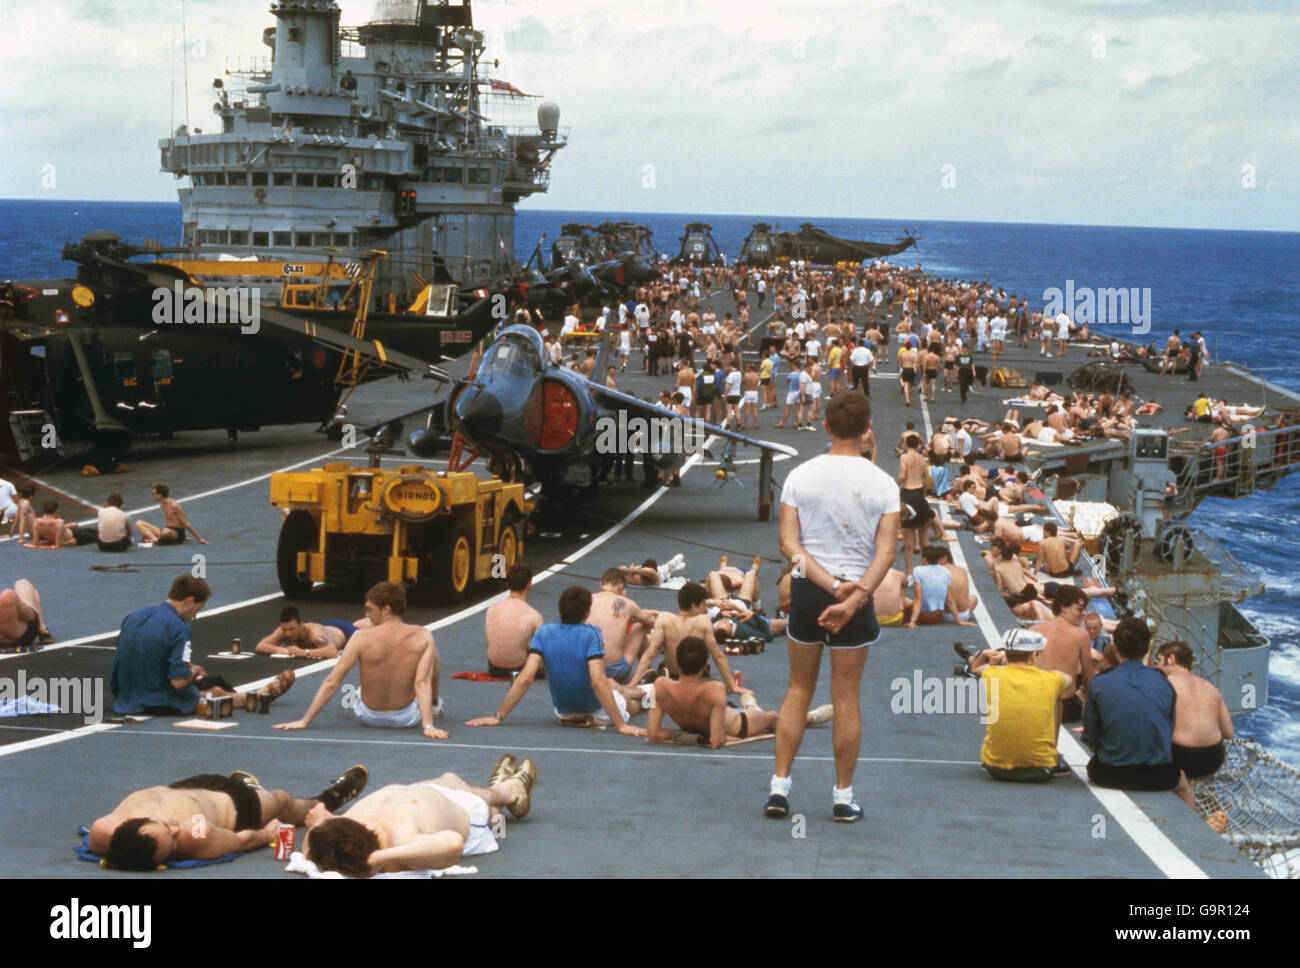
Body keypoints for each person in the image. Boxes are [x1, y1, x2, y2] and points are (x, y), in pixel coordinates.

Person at [768, 391, 900, 822]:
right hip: (857, 596)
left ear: (825, 426)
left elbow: (790, 545)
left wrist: (827, 583)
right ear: (867, 430)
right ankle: (843, 798)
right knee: (845, 698)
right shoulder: (884, 483)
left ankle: (779, 789)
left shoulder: (800, 476)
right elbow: (885, 554)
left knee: (797, 689)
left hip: (808, 591)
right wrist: (854, 594)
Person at [88, 766, 369, 870]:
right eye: (172, 844)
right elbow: (242, 840)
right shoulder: (195, 836)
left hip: (186, 787)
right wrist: (268, 834)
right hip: (236, 806)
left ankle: (253, 788)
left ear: (131, 825)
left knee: (271, 798)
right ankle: (329, 798)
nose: (175, 831)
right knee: (281, 800)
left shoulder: (103, 831)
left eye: (166, 829)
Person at [302, 760, 537, 876]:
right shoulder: (397, 840)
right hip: (447, 806)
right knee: (455, 783)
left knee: (453, 781)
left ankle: (499, 797)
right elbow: (453, 843)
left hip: (441, 802)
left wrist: (322, 822)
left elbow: (453, 844)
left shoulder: (401, 841)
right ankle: (504, 795)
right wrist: (321, 824)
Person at [466, 586, 649, 735]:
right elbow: (597, 681)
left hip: (563, 711)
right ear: (587, 613)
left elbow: (525, 678)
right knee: (629, 704)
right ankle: (648, 695)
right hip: (596, 711)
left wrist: (498, 716)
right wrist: (621, 726)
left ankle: (641, 691)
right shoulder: (592, 633)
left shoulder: (543, 632)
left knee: (612, 685)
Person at [274, 582, 447, 739]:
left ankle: (427, 707)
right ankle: (434, 705)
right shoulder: (423, 635)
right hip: (405, 718)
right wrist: (428, 726)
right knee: (433, 651)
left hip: (368, 715)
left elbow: (332, 681)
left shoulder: (360, 637)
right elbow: (422, 682)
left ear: (385, 609)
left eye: (370, 610)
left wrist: (305, 721)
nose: (367, 615)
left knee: (359, 685)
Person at [111, 575, 294, 715]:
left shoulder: (135, 616)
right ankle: (259, 696)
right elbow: (178, 682)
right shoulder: (179, 626)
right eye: (197, 610)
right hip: (154, 701)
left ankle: (256, 694)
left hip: (123, 696)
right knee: (214, 692)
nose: (195, 616)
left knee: (202, 680)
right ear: (189, 601)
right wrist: (195, 670)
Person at [1081, 618, 1181, 792]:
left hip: (1111, 773)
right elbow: (1168, 731)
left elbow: (1091, 738)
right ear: (1146, 649)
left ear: (1115, 648)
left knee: (1094, 765)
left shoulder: (1099, 683)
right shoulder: (1164, 683)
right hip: (1160, 776)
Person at [976, 629, 1075, 783]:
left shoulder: (992, 674)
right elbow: (1069, 680)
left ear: (1006, 654)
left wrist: (984, 655)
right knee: (1056, 698)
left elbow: (976, 669)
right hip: (1039, 770)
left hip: (994, 767)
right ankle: (1053, 754)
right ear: (1034, 655)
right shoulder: (1051, 679)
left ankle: (1000, 751)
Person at [1155, 640, 1234, 806]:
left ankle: (1184, 800)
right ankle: (1188, 785)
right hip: (1213, 759)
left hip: (1180, 756)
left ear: (1171, 659)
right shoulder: (1211, 688)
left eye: (1158, 660)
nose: (1156, 667)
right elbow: (1228, 733)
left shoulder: (1164, 684)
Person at [631, 581, 747, 693]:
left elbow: (650, 654)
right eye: (703, 605)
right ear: (693, 606)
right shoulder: (703, 621)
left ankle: (664, 682)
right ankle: (688, 687)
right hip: (694, 676)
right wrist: (733, 686)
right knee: (719, 686)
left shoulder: (664, 618)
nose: (706, 609)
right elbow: (718, 656)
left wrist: (633, 683)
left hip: (671, 672)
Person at [1030, 584, 1093, 725]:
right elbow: (1089, 678)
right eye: (1080, 609)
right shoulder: (1081, 635)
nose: (1084, 614)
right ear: (1064, 607)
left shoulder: (1034, 629)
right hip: (1065, 709)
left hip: (1035, 704)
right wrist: (1083, 692)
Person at [589, 568, 658, 684]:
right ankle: (645, 672)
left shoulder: (587, 599)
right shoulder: (626, 603)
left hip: (588, 668)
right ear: (621, 587)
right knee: (639, 626)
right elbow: (651, 622)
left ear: (601, 584)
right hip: (614, 670)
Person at [483, 565, 545, 677]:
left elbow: (489, 645)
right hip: (519, 669)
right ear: (529, 584)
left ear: (508, 583)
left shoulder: (491, 609)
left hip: (494, 669)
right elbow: (542, 653)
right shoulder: (534, 615)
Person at [907, 546, 976, 627]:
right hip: (939, 616)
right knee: (973, 598)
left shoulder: (918, 570)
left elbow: (918, 598)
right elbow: (950, 600)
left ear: (924, 559)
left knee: (906, 600)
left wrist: (913, 621)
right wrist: (959, 621)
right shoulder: (946, 572)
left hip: (930, 615)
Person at [255, 606, 358, 660]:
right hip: (326, 626)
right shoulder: (284, 630)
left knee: (369, 631)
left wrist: (305, 653)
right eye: (284, 630)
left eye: (291, 629)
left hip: (346, 632)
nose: (287, 634)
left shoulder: (315, 634)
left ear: (300, 624)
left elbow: (332, 652)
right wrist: (285, 651)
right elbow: (260, 646)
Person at [135, 483, 209, 546]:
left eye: (154, 493)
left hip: (177, 533)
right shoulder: (162, 504)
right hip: (167, 530)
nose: (151, 495)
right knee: (139, 523)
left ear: (160, 494)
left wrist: (200, 539)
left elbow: (186, 524)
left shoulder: (174, 505)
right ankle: (156, 539)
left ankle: (152, 538)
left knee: (164, 532)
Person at [0, 579, 54, 649]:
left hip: (20, 630)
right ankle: (42, 628)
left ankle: (41, 628)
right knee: (18, 587)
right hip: (21, 633)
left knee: (19, 586)